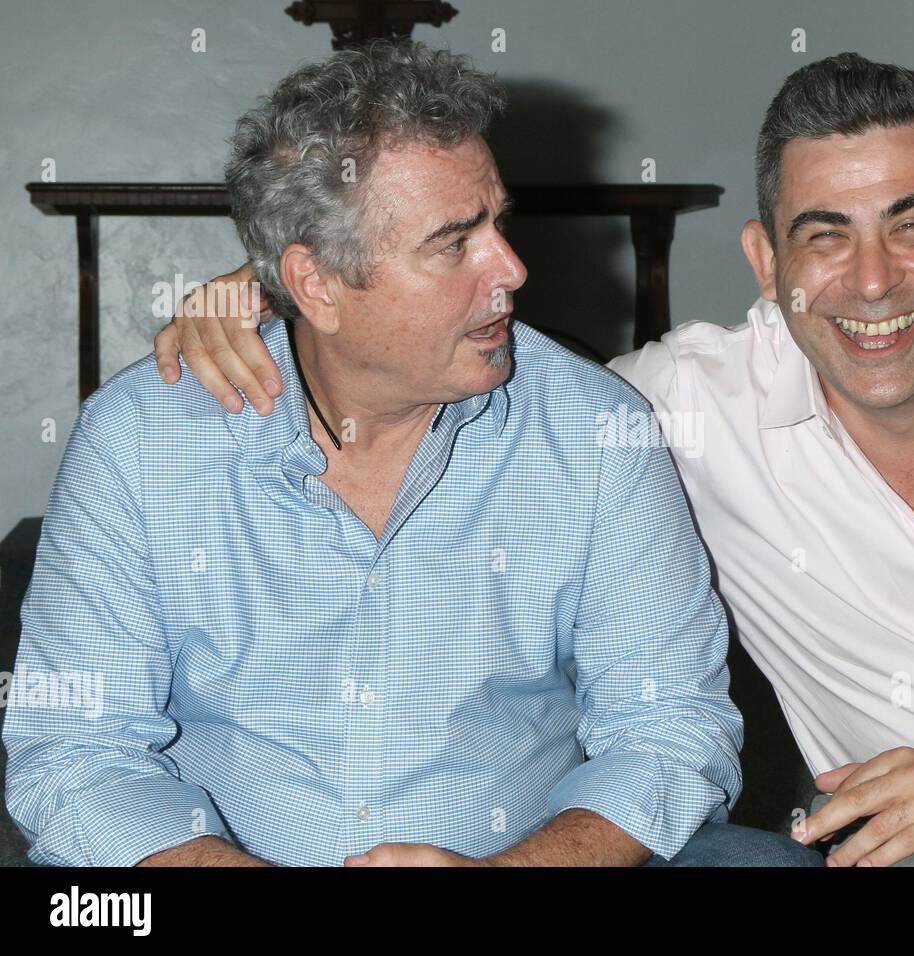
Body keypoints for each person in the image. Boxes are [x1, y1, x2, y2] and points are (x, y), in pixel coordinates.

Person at [152, 53, 914, 867]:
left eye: (912, 222)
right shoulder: (672, 408)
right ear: (762, 257)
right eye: (822, 234)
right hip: (905, 838)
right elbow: (453, 357)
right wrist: (270, 299)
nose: (872, 280)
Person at [3, 40, 824, 868]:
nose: (511, 267)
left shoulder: (595, 431)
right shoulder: (143, 439)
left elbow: (671, 731)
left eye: (499, 222)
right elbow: (74, 749)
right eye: (453, 242)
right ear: (316, 284)